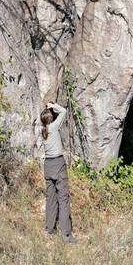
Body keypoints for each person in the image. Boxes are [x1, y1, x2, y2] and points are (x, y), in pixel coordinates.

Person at [40, 101, 74, 242]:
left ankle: (50, 230)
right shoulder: (53, 128)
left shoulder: (43, 131)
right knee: (63, 199)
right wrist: (52, 105)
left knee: (51, 199)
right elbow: (64, 111)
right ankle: (66, 234)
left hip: (48, 165)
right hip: (58, 164)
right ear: (51, 119)